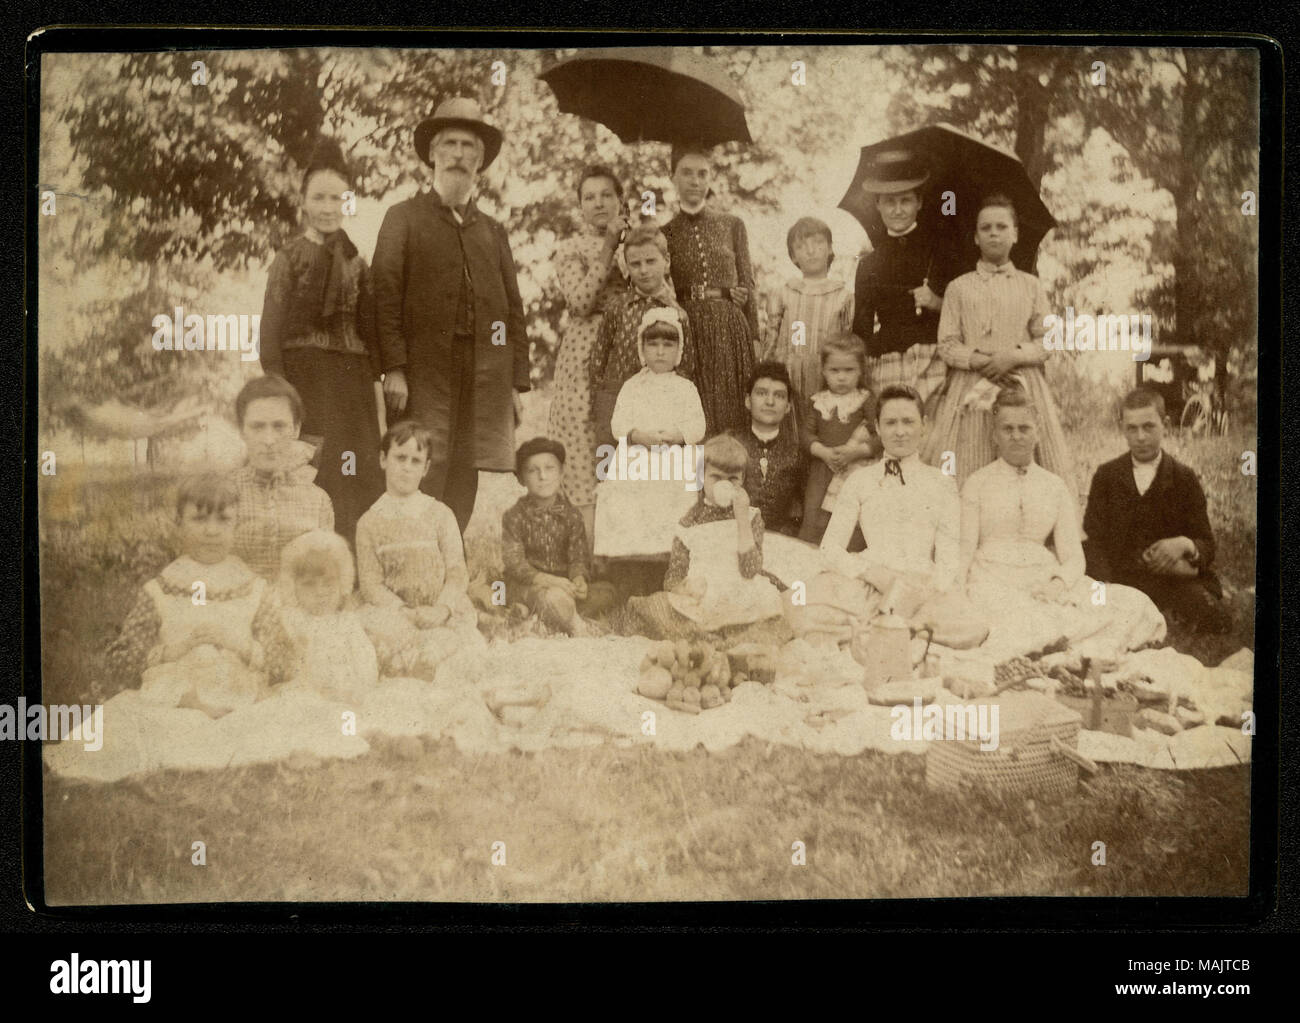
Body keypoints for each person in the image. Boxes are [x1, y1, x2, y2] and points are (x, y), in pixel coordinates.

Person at [371, 97, 529, 532]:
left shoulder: (492, 231)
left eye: (469, 147)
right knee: (419, 459)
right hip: (423, 371)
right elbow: (384, 296)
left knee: (465, 465)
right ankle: (406, 553)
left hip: (482, 371)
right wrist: (395, 368)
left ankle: (448, 559)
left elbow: (509, 314)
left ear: (480, 161)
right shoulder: (402, 218)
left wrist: (513, 380)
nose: (459, 154)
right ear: (433, 154)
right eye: (451, 144)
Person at [959, 389, 1164, 657]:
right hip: (991, 581)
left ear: (1038, 432)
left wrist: (1056, 584)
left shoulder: (1054, 486)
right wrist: (956, 595)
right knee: (1024, 620)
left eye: (1024, 428)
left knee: (1132, 603)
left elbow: (1073, 558)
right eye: (1007, 429)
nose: (1017, 436)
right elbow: (963, 552)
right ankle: (1066, 645)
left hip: (1044, 577)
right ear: (994, 436)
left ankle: (1062, 644)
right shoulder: (977, 483)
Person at [258, 138, 383, 545]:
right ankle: (314, 554)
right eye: (320, 198)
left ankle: (358, 557)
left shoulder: (356, 260)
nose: (329, 207)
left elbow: (370, 327)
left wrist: (379, 378)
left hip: (353, 379)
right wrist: (280, 392)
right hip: (306, 377)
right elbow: (271, 331)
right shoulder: (289, 257)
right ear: (304, 202)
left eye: (338, 198)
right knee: (318, 463)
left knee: (359, 463)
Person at [921, 195, 1078, 504]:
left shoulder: (1030, 285)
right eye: (986, 228)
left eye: (1002, 226)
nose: (994, 233)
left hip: (1020, 383)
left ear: (1015, 234)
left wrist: (1014, 355)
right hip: (971, 385)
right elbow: (948, 343)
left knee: (1027, 458)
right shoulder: (958, 287)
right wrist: (977, 359)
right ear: (976, 237)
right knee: (968, 460)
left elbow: (1048, 339)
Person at [804, 385, 984, 648]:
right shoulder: (860, 480)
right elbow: (830, 549)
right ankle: (891, 634)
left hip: (922, 585)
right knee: (807, 610)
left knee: (973, 627)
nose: (900, 431)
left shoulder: (942, 482)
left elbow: (948, 558)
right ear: (877, 427)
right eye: (890, 423)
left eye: (908, 422)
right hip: (870, 581)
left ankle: (898, 632)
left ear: (924, 425)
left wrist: (927, 592)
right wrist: (871, 573)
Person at [103, 473, 294, 713]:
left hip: (240, 702)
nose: (211, 531)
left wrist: (239, 646)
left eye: (223, 520)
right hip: (174, 705)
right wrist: (174, 651)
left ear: (237, 524)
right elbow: (123, 663)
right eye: (199, 519)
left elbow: (284, 664)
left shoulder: (255, 589)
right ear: (178, 522)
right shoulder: (160, 589)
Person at [618, 433, 790, 646]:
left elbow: (751, 569)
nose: (725, 484)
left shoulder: (751, 516)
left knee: (770, 605)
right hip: (705, 596)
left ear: (743, 480)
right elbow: (673, 576)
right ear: (702, 477)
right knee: (662, 607)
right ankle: (713, 637)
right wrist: (684, 588)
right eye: (716, 477)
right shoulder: (689, 523)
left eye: (733, 479)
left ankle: (726, 638)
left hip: (740, 590)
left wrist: (742, 519)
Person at [1082, 388, 1231, 632]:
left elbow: (1207, 544)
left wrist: (1183, 544)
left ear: (1166, 424)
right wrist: (1104, 583)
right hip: (1121, 579)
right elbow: (1092, 540)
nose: (1140, 437)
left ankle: (1165, 614)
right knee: (1096, 611)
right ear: (1123, 429)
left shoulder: (1184, 478)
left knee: (1213, 618)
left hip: (1170, 579)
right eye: (1132, 428)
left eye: (1149, 426)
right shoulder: (1106, 476)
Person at [354, 420, 486, 677]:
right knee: (376, 640)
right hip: (395, 613)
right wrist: (404, 613)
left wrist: (442, 608)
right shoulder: (368, 522)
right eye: (400, 458)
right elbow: (371, 584)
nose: (406, 468)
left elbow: (457, 569)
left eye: (415, 461)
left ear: (426, 468)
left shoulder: (440, 514)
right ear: (383, 459)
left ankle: (433, 662)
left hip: (439, 609)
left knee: (464, 649)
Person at [593, 307, 707, 592]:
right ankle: (628, 570)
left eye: (668, 345)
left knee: (675, 497)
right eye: (653, 344)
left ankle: (666, 569)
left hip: (673, 459)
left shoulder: (685, 388)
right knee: (627, 498)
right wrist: (637, 435)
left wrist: (677, 434)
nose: (660, 352)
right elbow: (618, 422)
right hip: (638, 458)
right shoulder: (633, 386)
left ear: (679, 349)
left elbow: (698, 425)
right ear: (642, 348)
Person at [547, 164, 630, 544]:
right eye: (589, 197)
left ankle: (623, 551)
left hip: (628, 350)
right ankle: (586, 555)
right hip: (584, 354)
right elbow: (580, 302)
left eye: (606, 195)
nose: (599, 203)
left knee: (622, 441)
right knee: (582, 446)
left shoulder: (639, 245)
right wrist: (609, 248)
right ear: (580, 207)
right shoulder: (572, 249)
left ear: (620, 200)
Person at [662, 143, 758, 436]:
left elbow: (748, 283)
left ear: (710, 178)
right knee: (695, 413)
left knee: (733, 410)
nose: (695, 181)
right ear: (673, 177)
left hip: (730, 329)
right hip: (689, 329)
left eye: (702, 174)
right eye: (687, 173)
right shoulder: (664, 232)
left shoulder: (732, 225)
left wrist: (754, 337)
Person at [851, 150, 957, 406]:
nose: (898, 210)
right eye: (889, 201)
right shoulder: (869, 264)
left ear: (919, 202)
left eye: (906, 201)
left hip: (933, 358)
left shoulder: (939, 253)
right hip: (885, 360)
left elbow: (963, 314)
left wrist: (936, 302)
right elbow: (862, 328)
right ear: (878, 204)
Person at [588, 224, 693, 450]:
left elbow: (685, 367)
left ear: (666, 262)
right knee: (609, 472)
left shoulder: (678, 314)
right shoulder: (617, 308)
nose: (643, 270)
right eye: (635, 264)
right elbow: (598, 359)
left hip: (659, 406)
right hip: (615, 399)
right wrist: (600, 403)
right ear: (627, 267)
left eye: (650, 261)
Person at [502, 436, 618, 636]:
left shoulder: (571, 515)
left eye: (550, 469)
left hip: (565, 585)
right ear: (521, 478)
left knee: (607, 592)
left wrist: (579, 579)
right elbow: (515, 563)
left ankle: (538, 615)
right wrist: (548, 580)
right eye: (533, 470)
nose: (543, 476)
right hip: (531, 584)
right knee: (548, 597)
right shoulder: (514, 516)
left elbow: (578, 557)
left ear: (562, 472)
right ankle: (562, 618)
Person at [231, 375, 335, 580]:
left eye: (279, 426)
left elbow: (324, 577)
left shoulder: (319, 501)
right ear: (242, 430)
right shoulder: (222, 494)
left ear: (296, 429)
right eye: (257, 427)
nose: (269, 440)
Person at [277, 529, 381, 705]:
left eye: (328, 583)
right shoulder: (291, 621)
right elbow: (286, 667)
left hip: (348, 696)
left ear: (342, 583)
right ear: (293, 587)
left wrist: (360, 692)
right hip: (307, 699)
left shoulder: (347, 622)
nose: (320, 592)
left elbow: (366, 660)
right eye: (309, 585)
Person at [799, 335, 881, 544]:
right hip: (822, 469)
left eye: (849, 370)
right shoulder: (818, 401)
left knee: (851, 518)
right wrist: (824, 452)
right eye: (834, 370)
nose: (841, 377)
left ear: (861, 370)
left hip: (855, 468)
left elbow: (879, 436)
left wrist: (855, 452)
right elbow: (806, 435)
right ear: (824, 371)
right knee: (816, 516)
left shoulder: (865, 400)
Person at [762, 216, 854, 399]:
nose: (811, 251)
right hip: (789, 376)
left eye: (818, 243)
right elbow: (771, 341)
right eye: (801, 246)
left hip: (828, 378)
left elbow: (849, 342)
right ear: (793, 256)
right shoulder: (784, 294)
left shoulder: (843, 297)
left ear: (829, 248)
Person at [733, 361, 807, 537]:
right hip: (733, 537)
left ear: (788, 406)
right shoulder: (731, 445)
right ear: (748, 401)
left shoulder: (797, 453)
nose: (770, 401)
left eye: (779, 396)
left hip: (780, 542)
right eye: (761, 393)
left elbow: (803, 506)